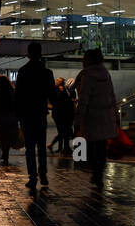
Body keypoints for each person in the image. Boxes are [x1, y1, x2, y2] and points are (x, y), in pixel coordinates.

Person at [14, 41, 56, 190]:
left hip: (26, 114)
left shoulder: (23, 71)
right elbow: (52, 93)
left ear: (28, 54)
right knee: (41, 146)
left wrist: (18, 114)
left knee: (30, 147)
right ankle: (43, 174)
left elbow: (18, 95)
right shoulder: (47, 73)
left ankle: (33, 177)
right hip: (40, 113)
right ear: (40, 54)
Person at [74, 48, 118, 187]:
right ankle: (98, 174)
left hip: (92, 117)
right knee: (101, 147)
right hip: (106, 116)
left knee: (91, 147)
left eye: (84, 58)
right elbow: (112, 95)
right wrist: (116, 115)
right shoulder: (106, 74)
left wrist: (78, 119)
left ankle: (95, 173)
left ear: (89, 60)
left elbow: (84, 100)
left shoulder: (87, 76)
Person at [49, 78, 75, 155]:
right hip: (59, 113)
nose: (56, 82)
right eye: (56, 80)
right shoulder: (56, 90)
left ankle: (62, 148)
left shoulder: (66, 90)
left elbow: (67, 99)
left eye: (58, 81)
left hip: (65, 113)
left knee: (63, 132)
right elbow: (57, 100)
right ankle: (55, 146)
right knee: (63, 132)